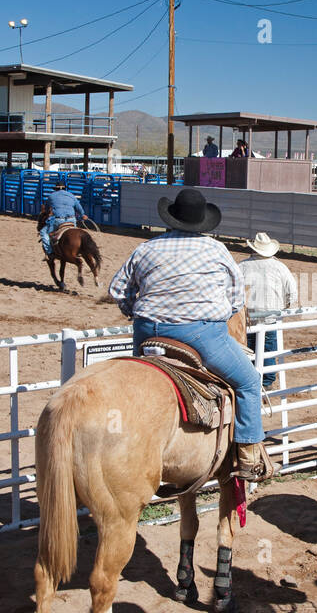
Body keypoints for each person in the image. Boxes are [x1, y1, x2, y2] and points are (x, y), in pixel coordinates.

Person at [109, 188, 272, 481]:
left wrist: (135, 310)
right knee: (249, 381)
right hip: (201, 335)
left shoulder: (146, 248)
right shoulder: (216, 250)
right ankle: (247, 455)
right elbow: (236, 300)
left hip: (148, 334)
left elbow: (117, 290)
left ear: (171, 219)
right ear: (203, 222)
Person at [239, 232, 298, 391]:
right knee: (269, 349)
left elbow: (232, 291)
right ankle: (267, 381)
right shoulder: (280, 267)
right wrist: (282, 308)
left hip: (248, 317)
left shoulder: (242, 266)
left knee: (249, 350)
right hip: (271, 316)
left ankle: (252, 381)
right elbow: (292, 293)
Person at [39, 180, 85, 256]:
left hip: (58, 220)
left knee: (43, 233)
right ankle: (79, 250)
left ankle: (49, 252)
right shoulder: (71, 195)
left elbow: (46, 209)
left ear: (55, 189)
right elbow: (79, 208)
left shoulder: (51, 196)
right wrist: (82, 215)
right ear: (64, 188)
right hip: (71, 220)